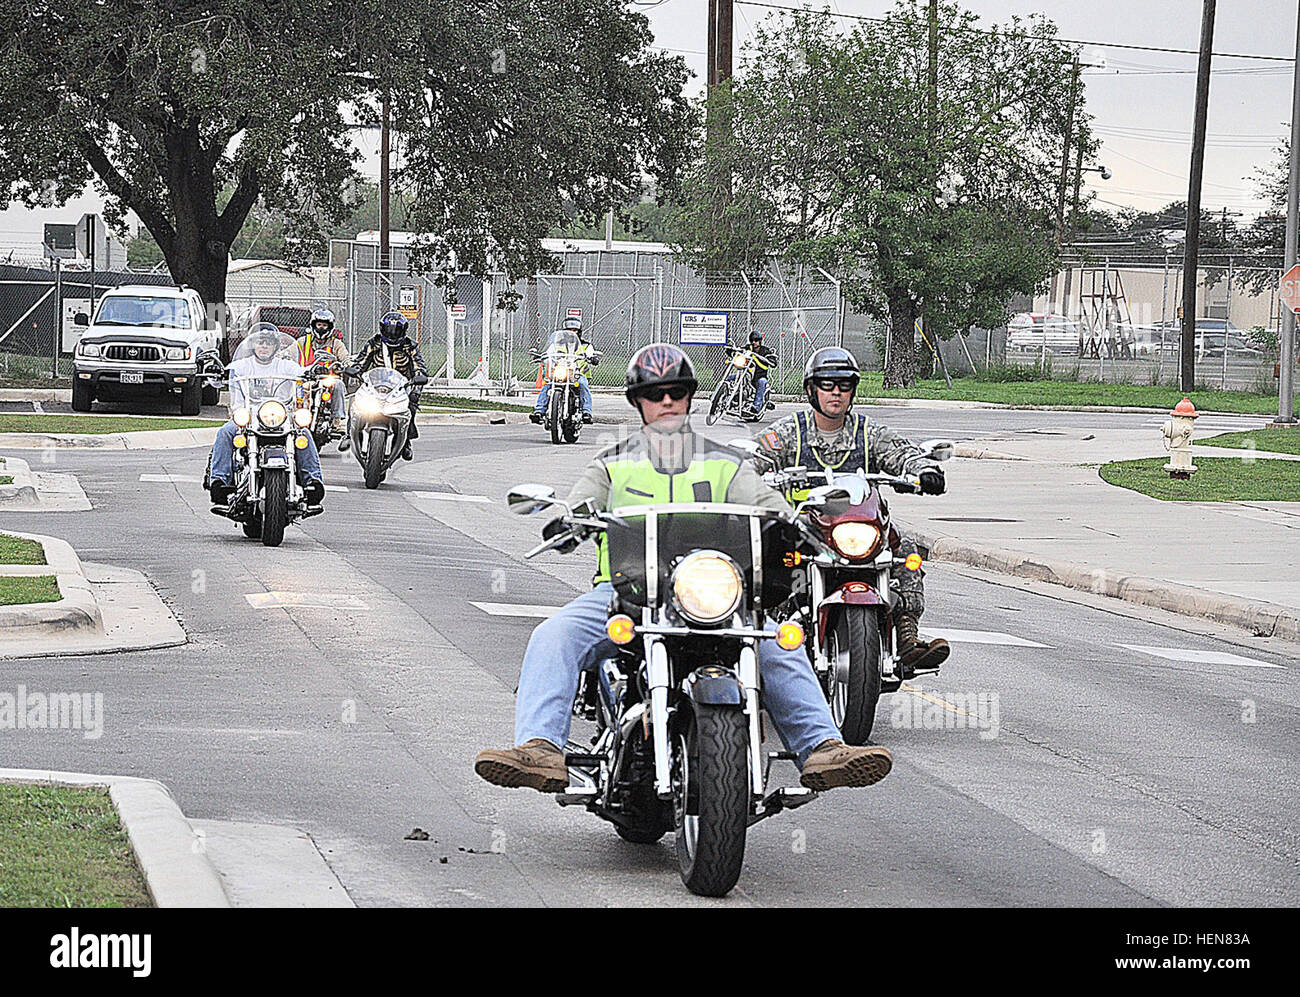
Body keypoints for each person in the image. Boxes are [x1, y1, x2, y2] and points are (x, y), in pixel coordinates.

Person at [475, 343, 894, 794]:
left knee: (780, 642)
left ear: (690, 397)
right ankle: (540, 748)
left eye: (676, 391)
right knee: (552, 635)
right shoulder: (612, 464)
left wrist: (792, 521)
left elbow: (768, 504)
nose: (667, 401)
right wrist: (568, 521)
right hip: (628, 594)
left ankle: (823, 747)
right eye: (656, 394)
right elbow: (581, 503)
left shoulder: (725, 462)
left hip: (715, 593)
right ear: (638, 402)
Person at [754, 346, 949, 676]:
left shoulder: (866, 431)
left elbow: (902, 453)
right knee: (760, 545)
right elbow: (755, 456)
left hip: (855, 526)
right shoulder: (790, 432)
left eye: (844, 385)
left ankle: (906, 637)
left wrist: (923, 470)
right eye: (827, 384)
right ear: (811, 389)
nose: (836, 392)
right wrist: (742, 473)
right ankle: (754, 631)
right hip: (803, 527)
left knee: (904, 545)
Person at [208, 324, 324, 506]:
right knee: (226, 432)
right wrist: (217, 371)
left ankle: (313, 483)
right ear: (253, 345)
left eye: (268, 343)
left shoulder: (285, 366)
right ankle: (219, 482)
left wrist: (314, 371)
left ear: (276, 347)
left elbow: (302, 371)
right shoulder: (242, 366)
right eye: (260, 343)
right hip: (249, 415)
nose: (264, 347)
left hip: (282, 416)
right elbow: (227, 371)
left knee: (304, 434)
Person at [345, 311, 428, 460]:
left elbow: (419, 367)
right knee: (355, 402)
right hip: (376, 385)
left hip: (400, 387)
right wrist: (355, 371)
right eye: (389, 330)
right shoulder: (374, 343)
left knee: (411, 406)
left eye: (396, 331)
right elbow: (361, 361)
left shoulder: (410, 346)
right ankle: (348, 435)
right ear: (382, 329)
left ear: (403, 331)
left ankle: (406, 441)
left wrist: (418, 382)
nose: (392, 334)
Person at [530, 317, 598, 425]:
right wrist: (540, 356)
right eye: (569, 330)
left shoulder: (586, 345)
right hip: (560, 372)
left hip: (576, 374)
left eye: (574, 330)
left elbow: (591, 354)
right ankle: (539, 411)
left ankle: (587, 412)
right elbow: (548, 353)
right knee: (547, 385)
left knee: (582, 384)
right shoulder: (557, 344)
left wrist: (593, 358)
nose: (572, 333)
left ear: (579, 332)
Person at [296, 308, 350, 441]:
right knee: (296, 388)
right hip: (307, 379)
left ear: (330, 327)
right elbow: (288, 353)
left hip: (328, 379)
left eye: (324, 325)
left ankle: (337, 421)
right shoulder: (302, 342)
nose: (321, 328)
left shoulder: (336, 344)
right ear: (313, 325)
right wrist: (281, 357)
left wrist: (347, 365)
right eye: (319, 325)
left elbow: (345, 358)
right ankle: (294, 418)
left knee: (339, 385)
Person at [743, 329, 774, 416]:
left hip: (759, 377)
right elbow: (740, 350)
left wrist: (770, 359)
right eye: (752, 340)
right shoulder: (748, 348)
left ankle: (756, 407)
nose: (754, 342)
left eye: (756, 340)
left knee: (762, 382)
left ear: (760, 341)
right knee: (731, 378)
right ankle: (720, 397)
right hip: (748, 375)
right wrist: (731, 350)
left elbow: (773, 361)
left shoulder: (765, 351)